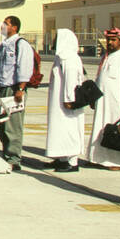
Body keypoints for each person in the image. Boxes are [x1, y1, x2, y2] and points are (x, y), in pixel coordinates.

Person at [0, 15, 34, 170]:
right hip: (1, 89)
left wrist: (21, 89)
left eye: (6, 24)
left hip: (14, 89)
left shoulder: (21, 44)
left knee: (13, 126)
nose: (3, 26)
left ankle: (14, 158)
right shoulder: (4, 45)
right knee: (2, 125)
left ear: (14, 27)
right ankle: (7, 154)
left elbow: (25, 67)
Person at [87, 28, 120, 170]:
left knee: (116, 133)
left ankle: (117, 162)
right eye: (108, 40)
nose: (110, 43)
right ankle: (97, 158)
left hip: (117, 103)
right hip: (102, 102)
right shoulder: (106, 58)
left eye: (113, 40)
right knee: (100, 129)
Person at [45, 28, 85, 172]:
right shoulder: (60, 58)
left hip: (67, 102)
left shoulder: (70, 58)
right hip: (58, 102)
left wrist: (69, 99)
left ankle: (72, 162)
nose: (54, 41)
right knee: (59, 129)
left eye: (57, 38)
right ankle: (61, 158)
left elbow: (71, 81)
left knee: (70, 129)